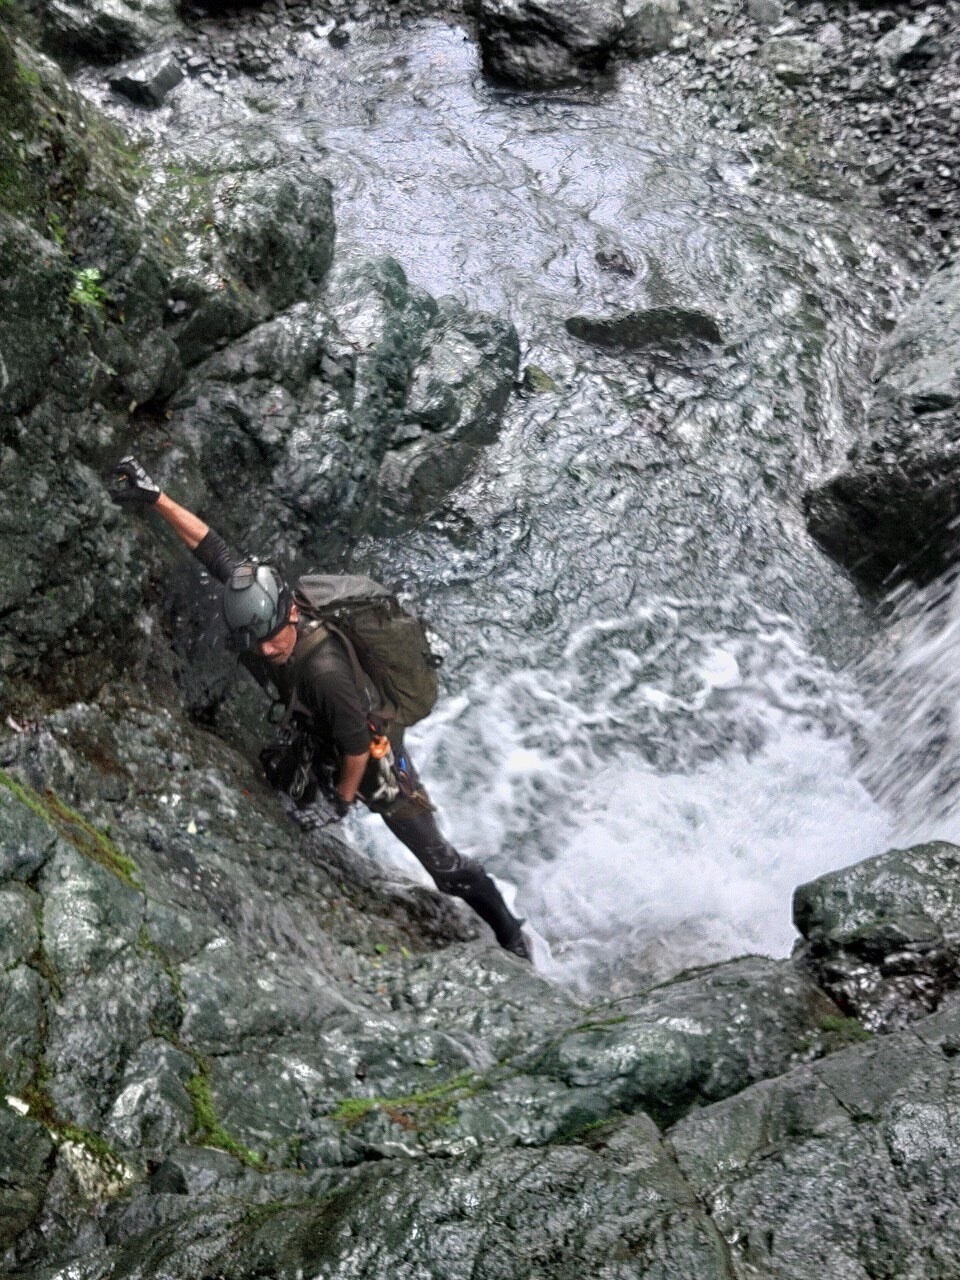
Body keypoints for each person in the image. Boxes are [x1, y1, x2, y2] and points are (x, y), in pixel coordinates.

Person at [112, 456, 531, 960]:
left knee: (441, 865)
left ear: (291, 612)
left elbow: (356, 749)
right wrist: (154, 496)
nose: (266, 651)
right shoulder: (263, 604)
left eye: (273, 640)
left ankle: (510, 933)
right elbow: (210, 547)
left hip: (371, 754)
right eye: (257, 643)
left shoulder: (324, 670)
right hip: (326, 726)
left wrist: (338, 804)